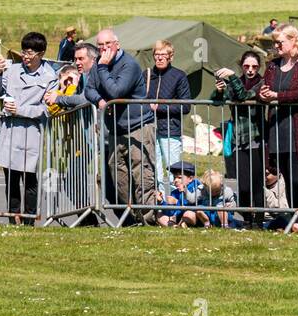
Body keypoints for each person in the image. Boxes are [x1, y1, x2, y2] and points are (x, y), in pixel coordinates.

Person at [85, 29, 156, 222]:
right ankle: (133, 219)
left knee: (142, 175)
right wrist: (100, 101)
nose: (104, 49)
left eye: (108, 44)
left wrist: (102, 68)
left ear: (117, 44)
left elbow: (117, 92)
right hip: (116, 130)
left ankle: (149, 220)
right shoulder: (100, 64)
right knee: (119, 177)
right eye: (100, 46)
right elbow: (88, 90)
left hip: (138, 127)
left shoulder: (129, 64)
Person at [261, 25, 298, 233]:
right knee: (285, 178)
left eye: (280, 42)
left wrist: (277, 96)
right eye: (275, 42)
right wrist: (264, 94)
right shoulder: (272, 66)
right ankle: (297, 222)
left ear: (294, 41)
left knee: (297, 179)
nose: (276, 46)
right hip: (278, 129)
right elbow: (265, 88)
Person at [0, 32, 57, 225]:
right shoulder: (12, 70)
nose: (26, 56)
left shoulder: (50, 76)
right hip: (10, 131)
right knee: (11, 178)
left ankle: (30, 219)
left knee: (29, 179)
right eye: (24, 52)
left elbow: (47, 109)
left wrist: (20, 110)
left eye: (30, 53)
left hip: (32, 133)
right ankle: (13, 218)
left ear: (41, 53)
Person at [211, 51, 268, 227]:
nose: (250, 70)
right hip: (238, 139)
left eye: (254, 66)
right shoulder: (235, 83)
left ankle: (258, 221)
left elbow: (244, 95)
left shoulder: (262, 83)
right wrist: (219, 91)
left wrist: (232, 76)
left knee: (257, 183)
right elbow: (216, 101)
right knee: (243, 184)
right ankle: (247, 219)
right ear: (242, 66)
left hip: (256, 138)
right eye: (246, 66)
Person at [146, 40, 191, 196]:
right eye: (156, 55)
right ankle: (159, 206)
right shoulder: (147, 75)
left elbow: (185, 106)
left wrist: (160, 107)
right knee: (154, 170)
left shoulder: (179, 76)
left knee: (174, 172)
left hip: (171, 131)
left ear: (170, 56)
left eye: (163, 55)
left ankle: (176, 206)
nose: (159, 58)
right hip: (150, 130)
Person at [157, 160, 209, 228]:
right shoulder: (175, 192)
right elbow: (171, 212)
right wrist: (161, 202)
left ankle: (183, 224)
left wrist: (176, 202)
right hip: (178, 217)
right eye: (174, 177)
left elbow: (193, 203)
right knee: (159, 215)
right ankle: (175, 226)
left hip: (194, 216)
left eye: (179, 178)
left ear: (190, 179)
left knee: (188, 214)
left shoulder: (196, 188)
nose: (175, 180)